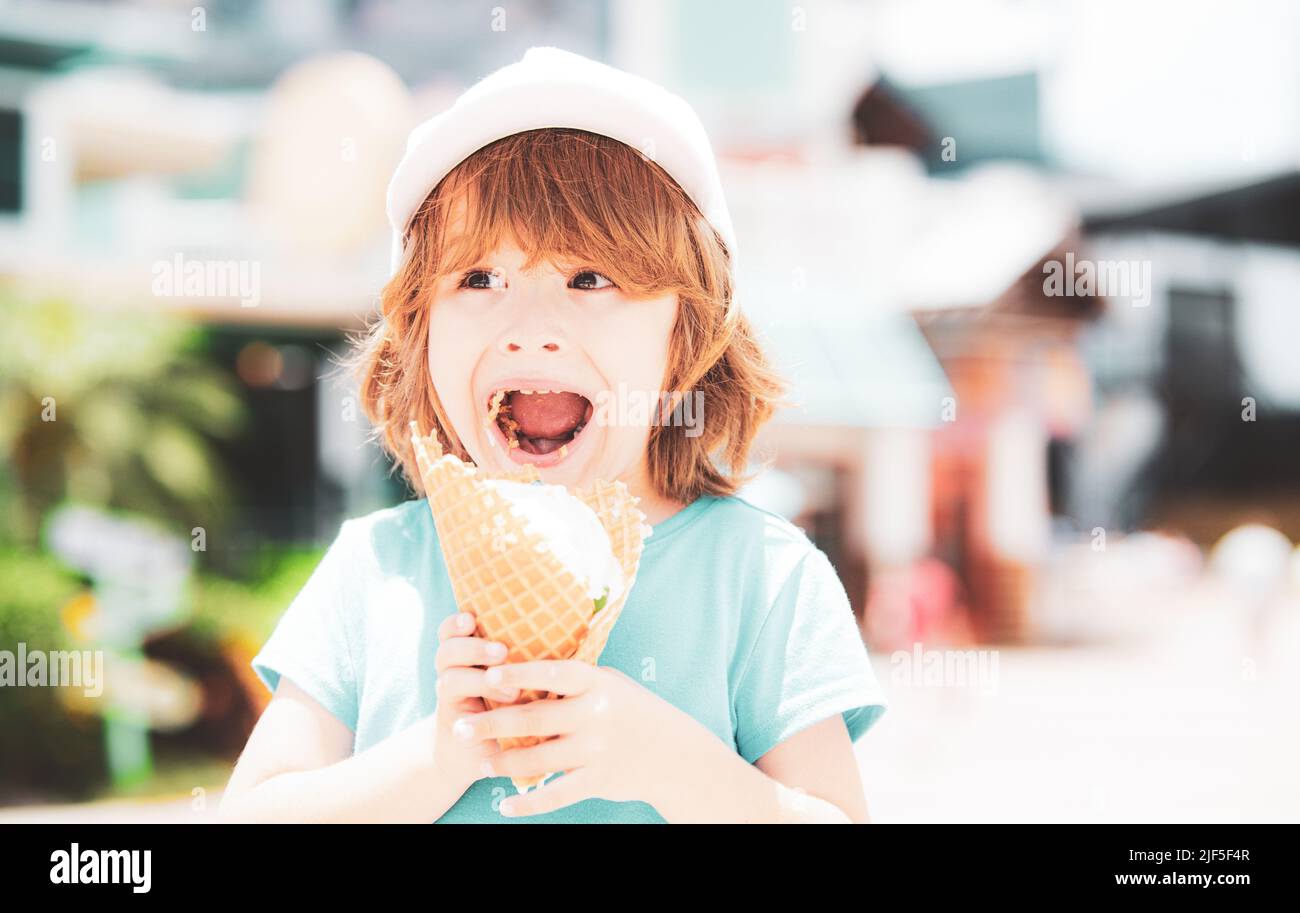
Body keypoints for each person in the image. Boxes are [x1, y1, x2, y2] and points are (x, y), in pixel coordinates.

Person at [220, 47, 887, 823]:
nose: (529, 329)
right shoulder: (376, 572)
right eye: (479, 280)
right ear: (418, 333)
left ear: (687, 337)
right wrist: (437, 756)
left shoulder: (762, 580)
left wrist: (676, 766)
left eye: (590, 279)